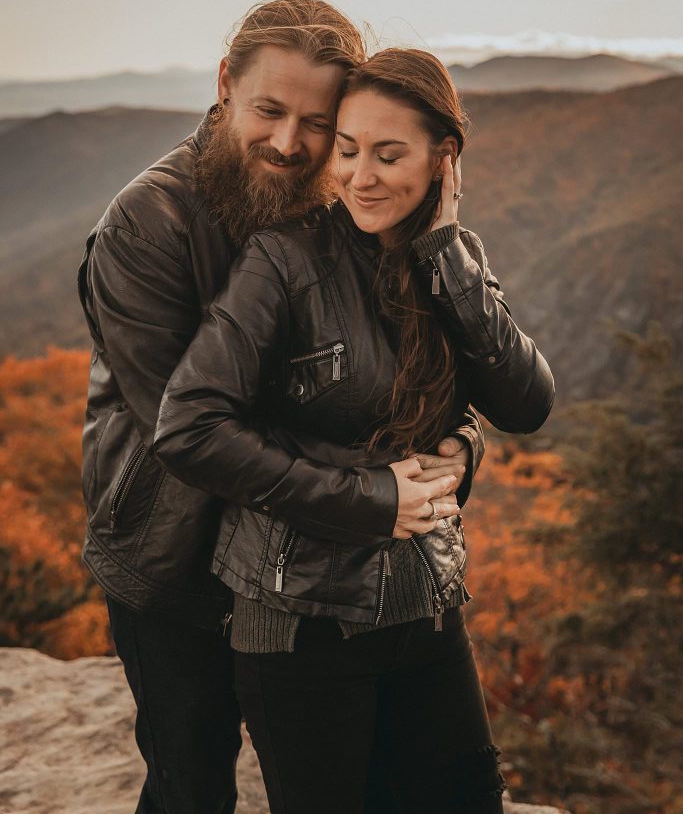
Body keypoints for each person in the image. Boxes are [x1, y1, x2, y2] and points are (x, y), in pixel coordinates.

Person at [78, 2, 486, 814]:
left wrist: (460, 442)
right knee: (191, 783)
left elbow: (402, 364)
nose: (289, 142)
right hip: (177, 557)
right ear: (226, 85)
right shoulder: (147, 221)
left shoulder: (339, 202)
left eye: (317, 122)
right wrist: (371, 492)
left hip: (302, 570)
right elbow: (189, 432)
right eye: (268, 110)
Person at [154, 47, 556, 814]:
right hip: (300, 622)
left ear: (445, 158)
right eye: (346, 149)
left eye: (388, 153)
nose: (358, 175)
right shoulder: (283, 260)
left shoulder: (454, 260)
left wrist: (448, 261)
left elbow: (525, 405)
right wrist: (368, 499)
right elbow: (189, 427)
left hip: (425, 605)